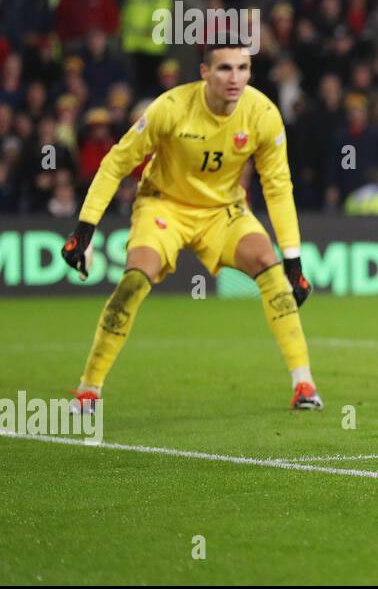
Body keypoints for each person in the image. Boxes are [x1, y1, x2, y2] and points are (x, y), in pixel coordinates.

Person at [60, 45, 322, 412]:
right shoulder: (170, 109)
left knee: (269, 264)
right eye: (225, 69)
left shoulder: (262, 114)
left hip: (222, 211)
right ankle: (89, 390)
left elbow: (278, 187)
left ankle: (304, 384)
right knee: (135, 280)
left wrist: (293, 262)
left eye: (243, 68)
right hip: (164, 204)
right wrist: (84, 230)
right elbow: (116, 163)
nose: (235, 78)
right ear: (204, 72)